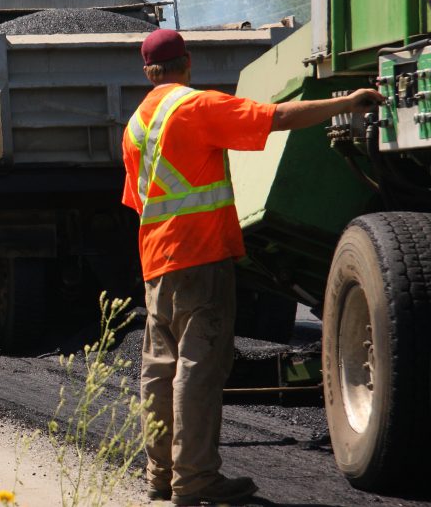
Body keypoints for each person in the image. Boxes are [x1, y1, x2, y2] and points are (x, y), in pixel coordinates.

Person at [121, 28, 383, 506]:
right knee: (198, 369)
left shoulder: (136, 126)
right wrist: (346, 102)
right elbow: (274, 117)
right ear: (188, 62)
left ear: (147, 71)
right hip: (200, 258)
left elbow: (137, 200)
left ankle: (160, 474)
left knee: (159, 369)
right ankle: (194, 479)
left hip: (155, 261)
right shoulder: (196, 106)